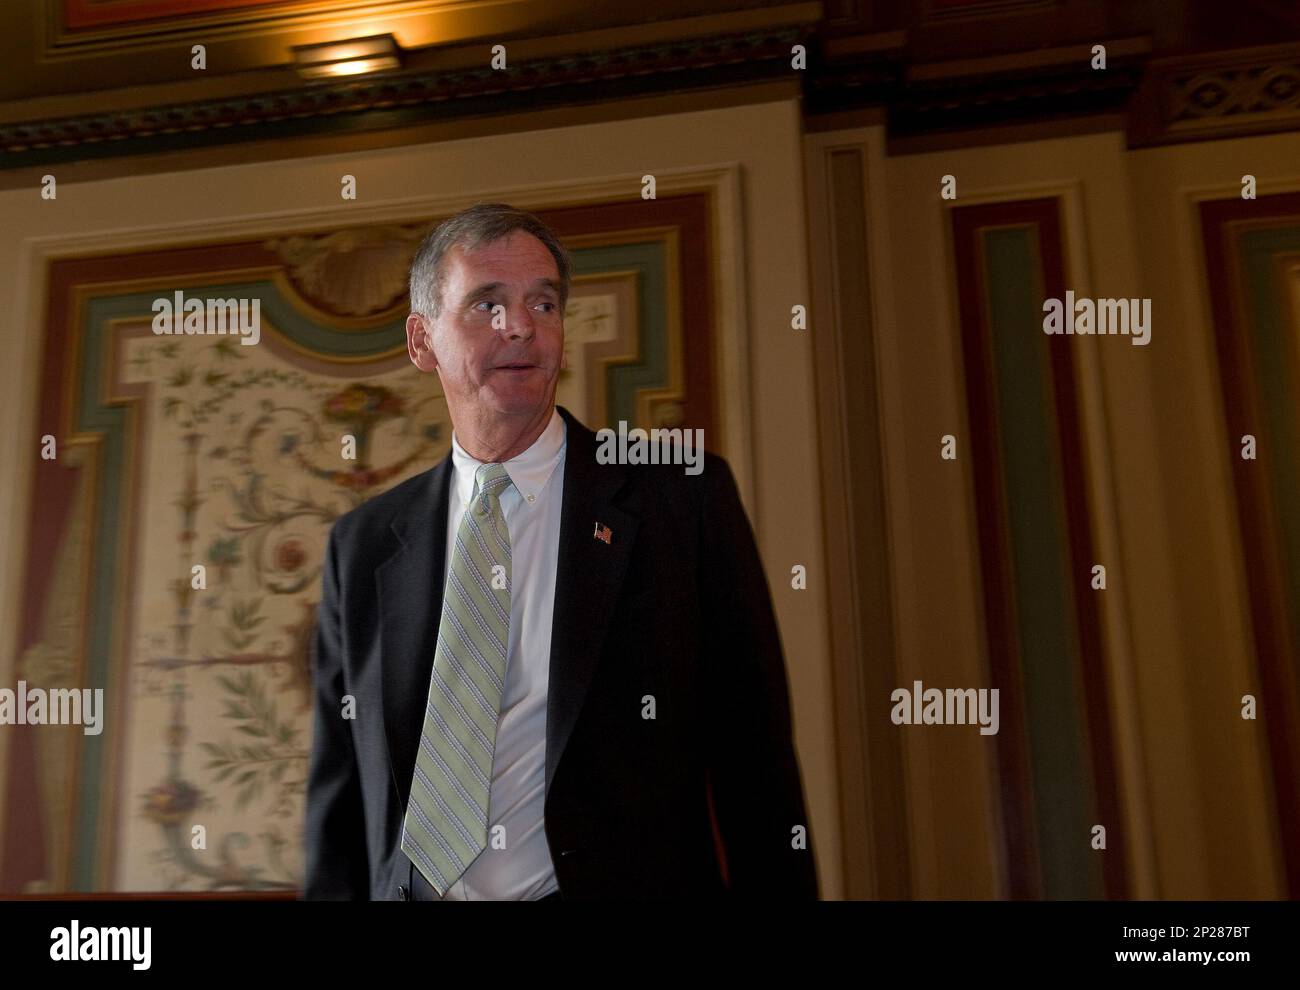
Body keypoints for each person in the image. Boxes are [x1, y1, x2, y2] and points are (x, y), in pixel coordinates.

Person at [301, 202, 817, 900]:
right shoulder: (362, 545)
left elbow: (756, 763)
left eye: (542, 304)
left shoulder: (680, 500)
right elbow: (338, 804)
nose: (520, 326)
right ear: (422, 341)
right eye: (487, 304)